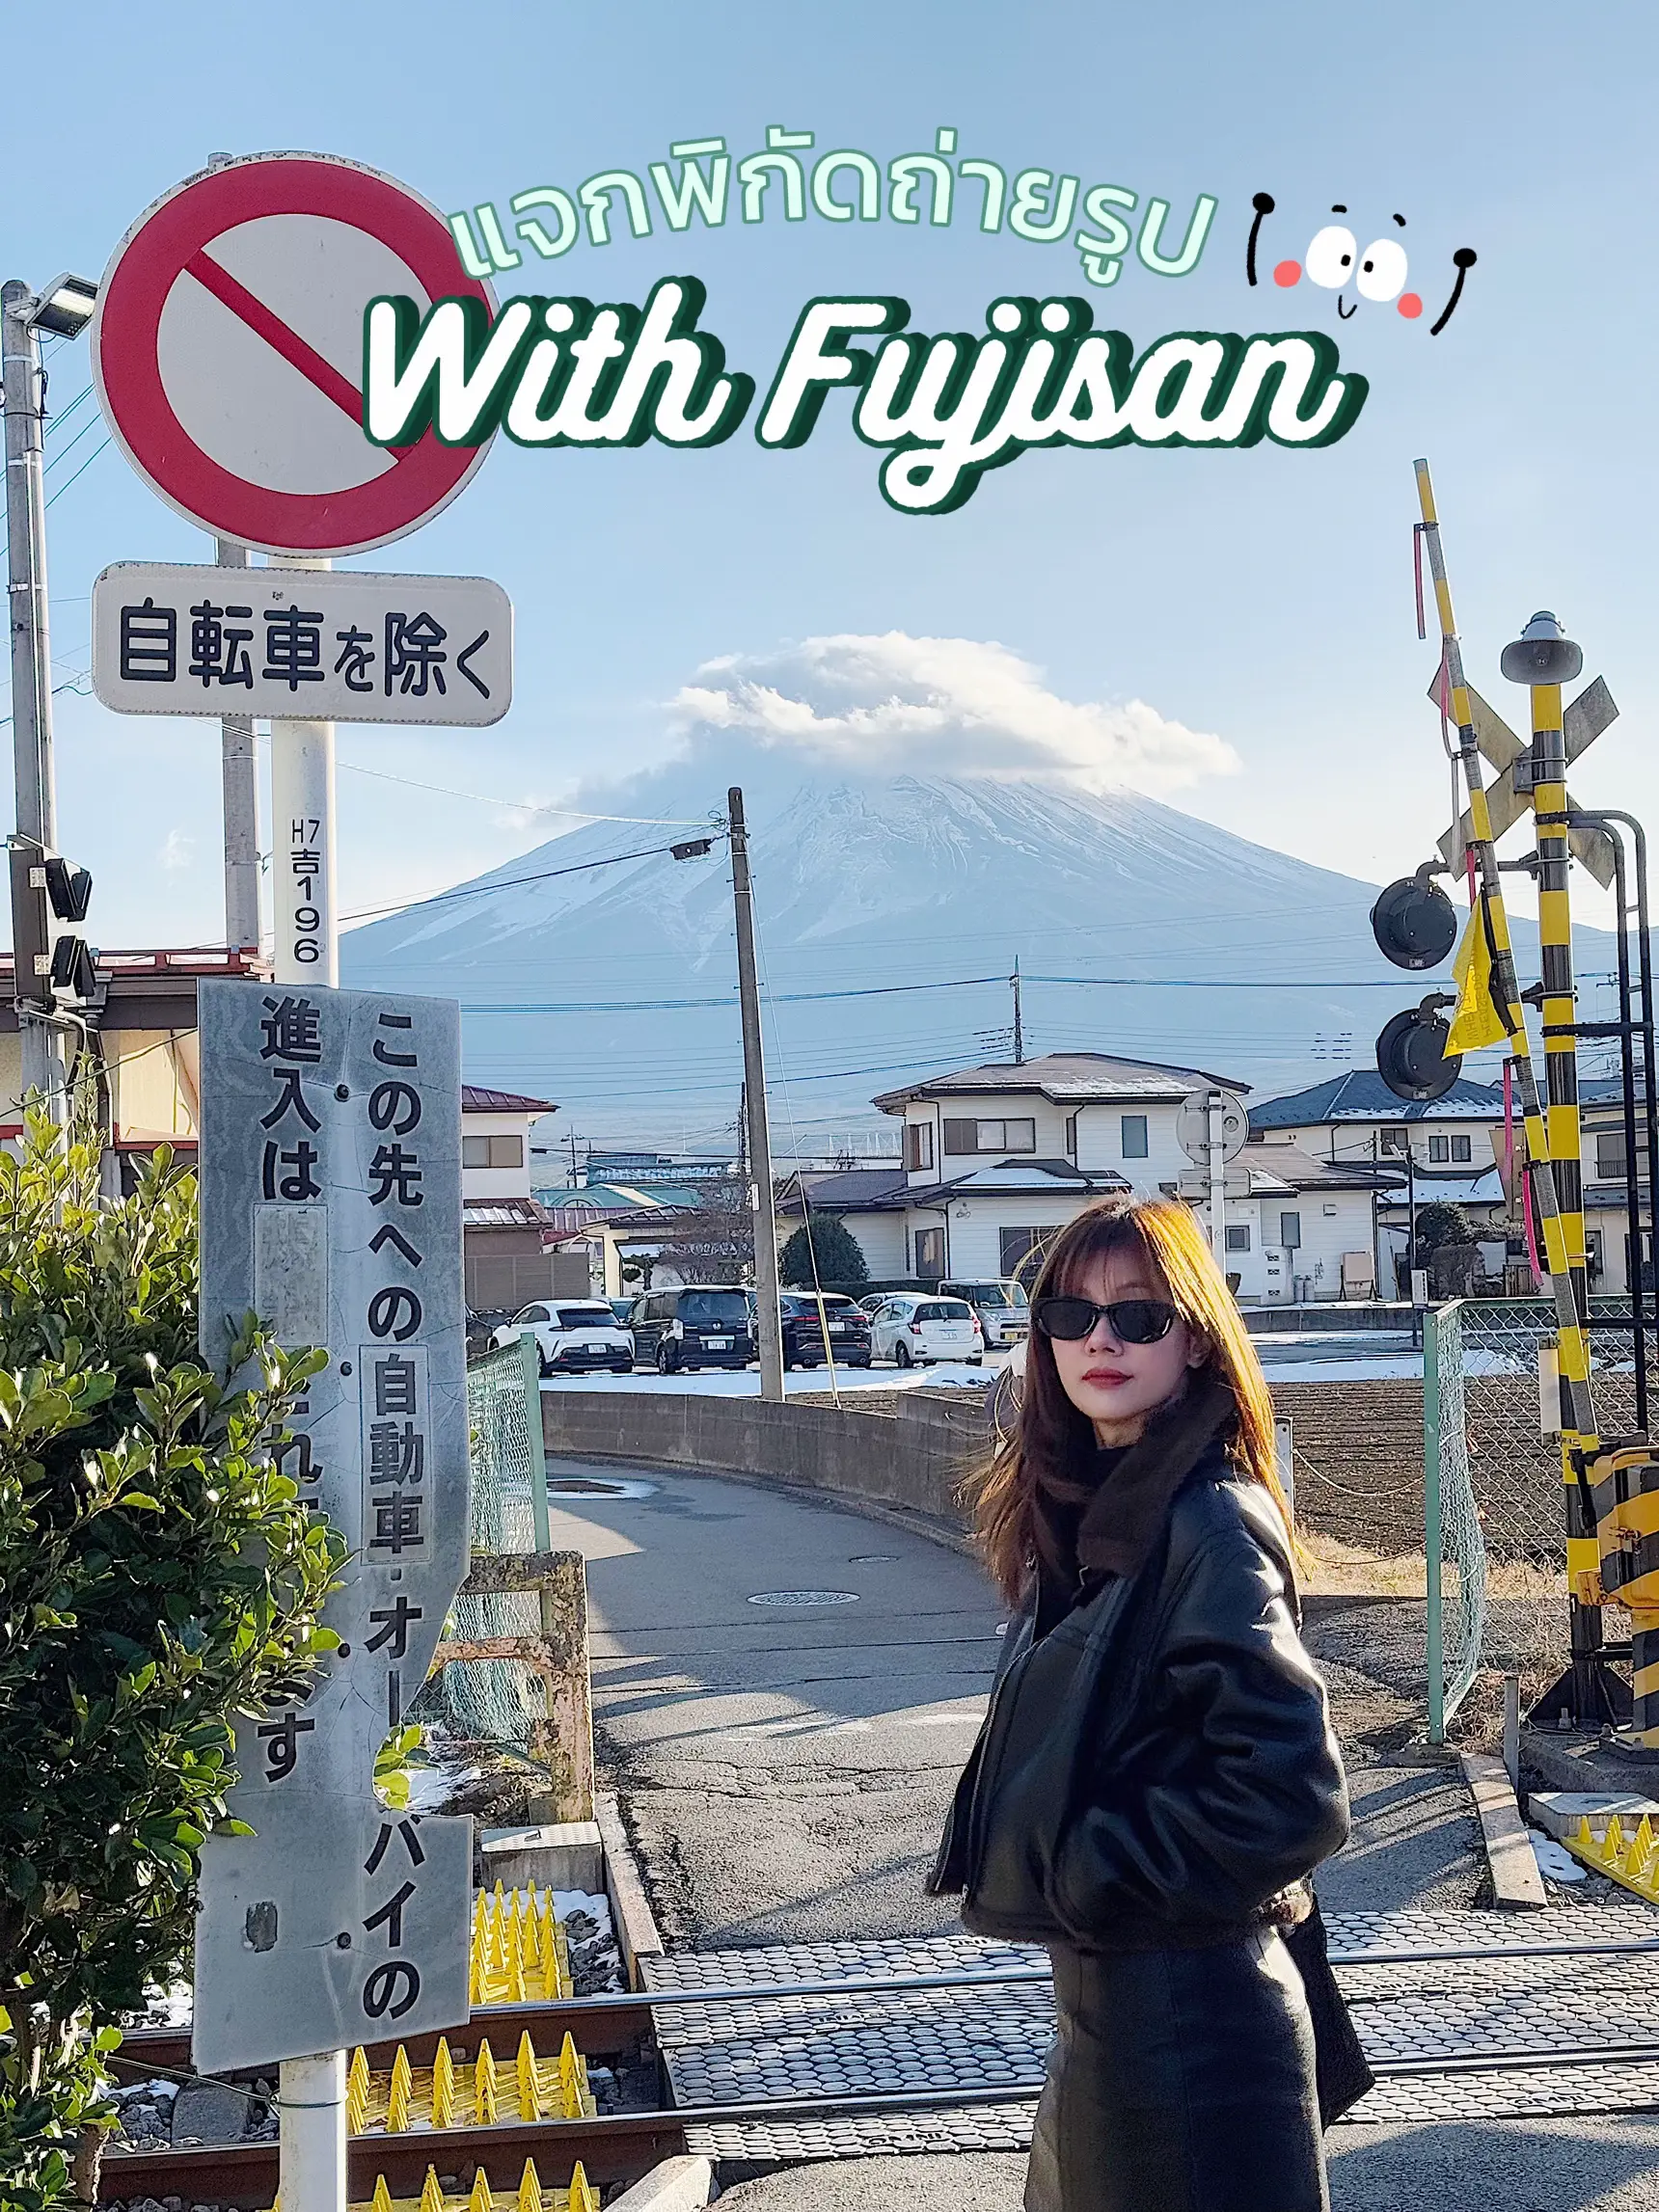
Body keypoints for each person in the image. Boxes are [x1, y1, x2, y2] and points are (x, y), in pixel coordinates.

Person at [929, 1195, 1350, 2212]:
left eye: (1138, 1314)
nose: (1099, 1339)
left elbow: (1291, 1792)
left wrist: (1091, 1867)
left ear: (1196, 1339)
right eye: (1070, 1316)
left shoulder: (1204, 1519)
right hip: (1118, 2012)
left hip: (1191, 2031)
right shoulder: (1099, 1506)